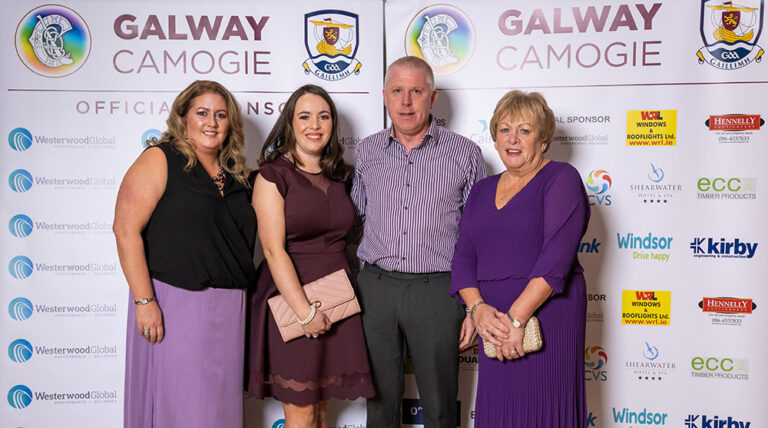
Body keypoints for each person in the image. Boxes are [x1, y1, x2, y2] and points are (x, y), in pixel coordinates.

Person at [351, 56, 487, 428]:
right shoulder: (366, 152)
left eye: (416, 91)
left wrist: (476, 308)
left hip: (438, 290)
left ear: (433, 97)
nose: (406, 101)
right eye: (397, 91)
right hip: (376, 288)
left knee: (441, 403)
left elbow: (479, 237)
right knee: (378, 401)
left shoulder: (465, 154)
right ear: (384, 97)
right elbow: (356, 218)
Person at [114, 80, 256, 428]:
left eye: (221, 115)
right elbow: (125, 229)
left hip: (231, 308)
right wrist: (144, 302)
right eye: (202, 113)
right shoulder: (160, 158)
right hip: (175, 302)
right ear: (183, 118)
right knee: (182, 407)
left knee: (218, 412)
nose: (212, 122)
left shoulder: (238, 177)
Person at [450, 90, 589, 427]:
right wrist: (478, 310)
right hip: (493, 322)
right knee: (499, 413)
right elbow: (463, 256)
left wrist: (516, 320)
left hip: (545, 316)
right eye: (504, 129)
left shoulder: (561, 178)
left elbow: (556, 259)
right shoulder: (482, 189)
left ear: (543, 140)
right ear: (495, 137)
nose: (513, 139)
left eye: (525, 130)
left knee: (542, 411)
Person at [246, 84, 375, 427]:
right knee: (301, 412)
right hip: (292, 298)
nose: (314, 125)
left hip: (337, 298)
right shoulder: (273, 176)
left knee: (320, 410)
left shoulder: (341, 176)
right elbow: (273, 251)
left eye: (323, 116)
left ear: (333, 124)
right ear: (290, 123)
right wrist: (304, 313)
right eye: (304, 116)